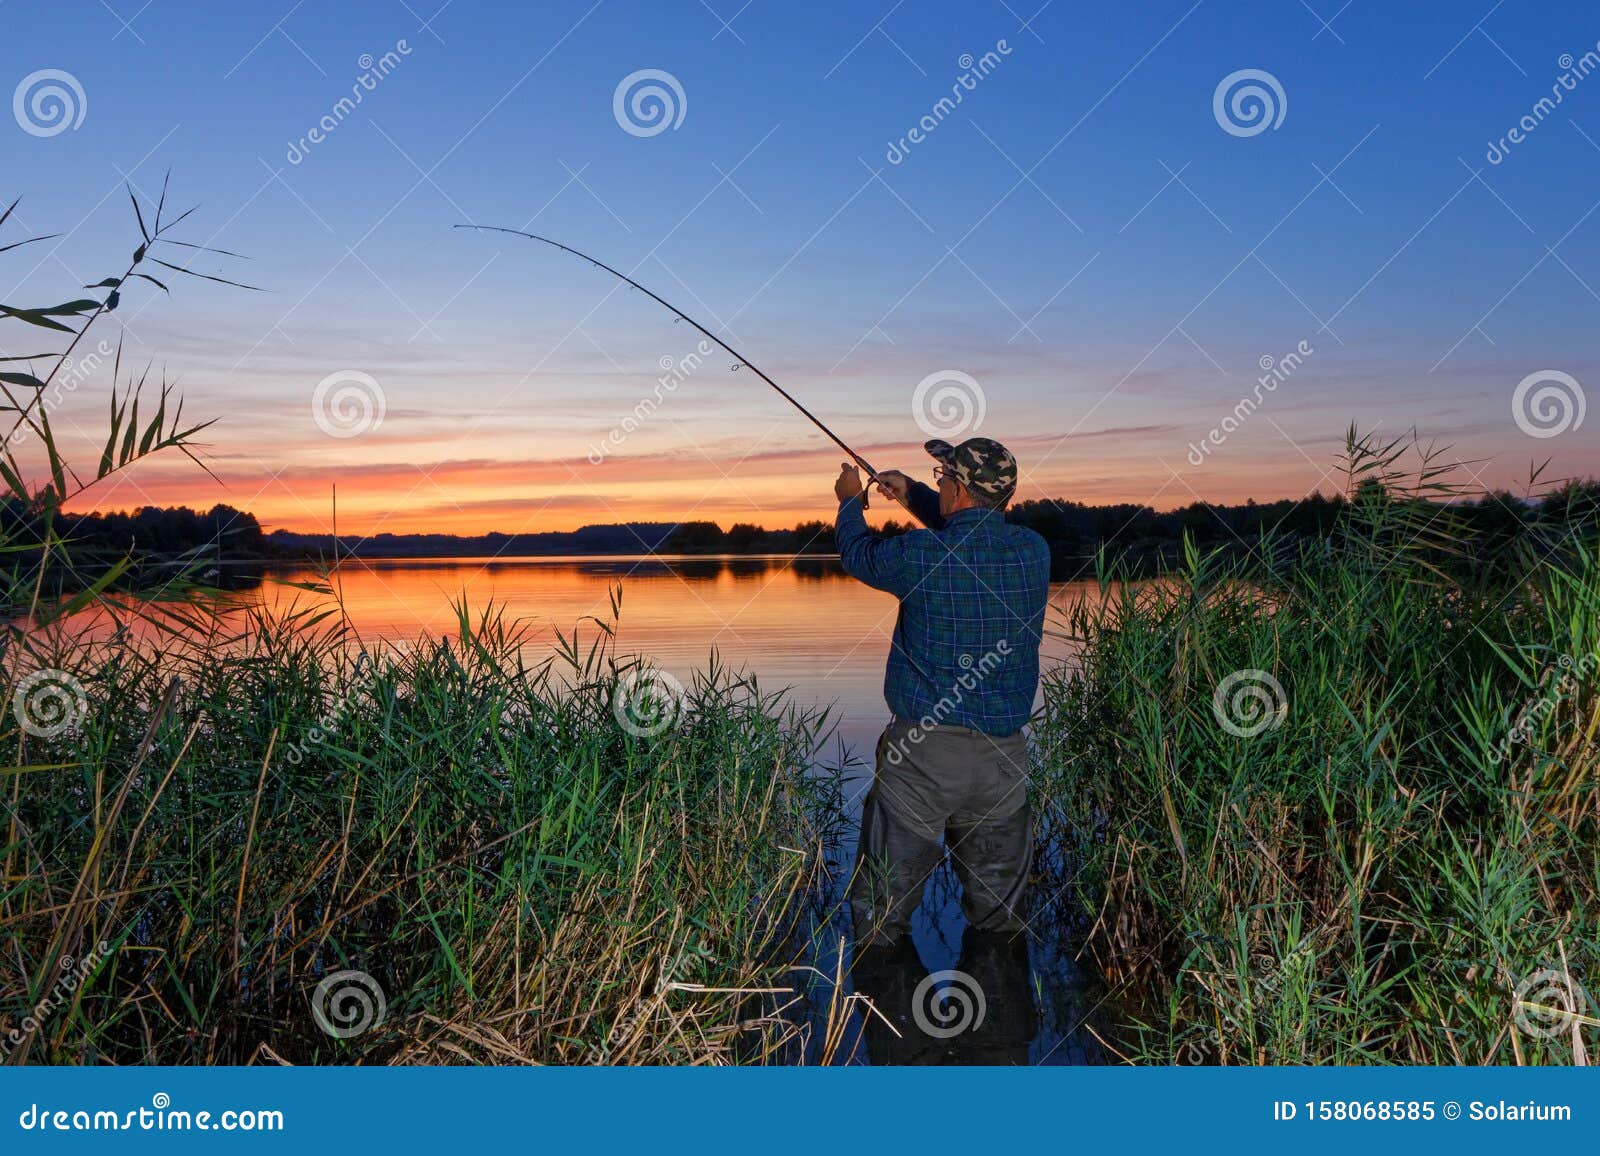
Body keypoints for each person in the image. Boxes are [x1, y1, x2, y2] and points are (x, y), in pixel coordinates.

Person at [831, 436, 1050, 953]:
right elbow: (968, 534)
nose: (940, 485)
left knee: (880, 922)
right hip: (1003, 761)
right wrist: (910, 495)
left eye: (942, 478)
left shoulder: (918, 554)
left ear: (958, 489)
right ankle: (997, 1026)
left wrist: (848, 500)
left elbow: (858, 554)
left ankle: (892, 1018)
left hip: (922, 760)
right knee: (1001, 924)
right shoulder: (1031, 554)